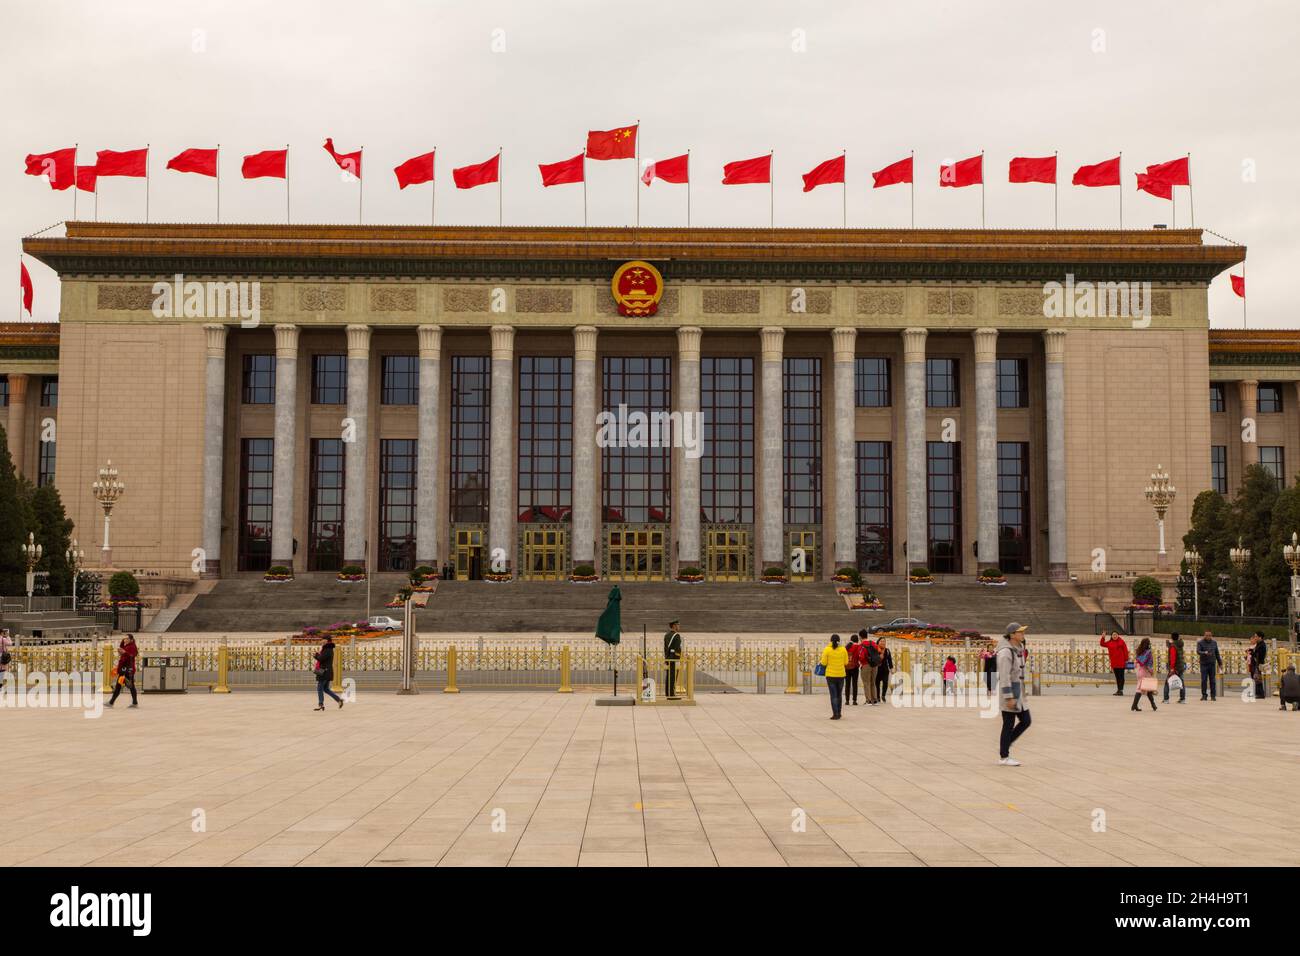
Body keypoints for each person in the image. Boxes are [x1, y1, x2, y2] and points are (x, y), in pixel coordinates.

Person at [995, 623, 1032, 766]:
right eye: (1020, 632)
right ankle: (1004, 757)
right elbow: (1004, 676)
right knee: (1008, 724)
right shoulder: (1005, 652)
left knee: (1026, 721)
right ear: (1012, 635)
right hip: (1010, 692)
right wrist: (1008, 697)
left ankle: (1006, 744)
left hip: (1018, 692)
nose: (1023, 634)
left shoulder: (1019, 648)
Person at [820, 633, 849, 720]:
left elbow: (823, 663)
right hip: (841, 675)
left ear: (830, 640)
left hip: (831, 675)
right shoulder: (843, 649)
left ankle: (835, 714)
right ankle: (839, 713)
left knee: (833, 695)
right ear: (839, 641)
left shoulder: (827, 649)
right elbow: (846, 662)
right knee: (839, 694)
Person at [107, 634, 139, 708]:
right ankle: (134, 702)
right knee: (126, 686)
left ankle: (111, 702)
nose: (125, 640)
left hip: (127, 670)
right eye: (124, 639)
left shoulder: (132, 647)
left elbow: (132, 655)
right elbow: (121, 647)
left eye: (127, 639)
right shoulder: (127, 646)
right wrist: (123, 642)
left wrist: (125, 653)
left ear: (131, 639)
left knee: (124, 686)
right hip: (124, 669)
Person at [313, 635, 344, 710]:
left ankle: (321, 704)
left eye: (322, 639)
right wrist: (318, 655)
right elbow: (322, 658)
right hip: (326, 671)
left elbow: (321, 659)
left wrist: (316, 655)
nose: (321, 641)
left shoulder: (327, 649)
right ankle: (339, 700)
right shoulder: (328, 649)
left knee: (320, 688)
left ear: (326, 640)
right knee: (325, 689)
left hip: (324, 672)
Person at [1131, 637, 1158, 712]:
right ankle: (1134, 705)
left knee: (1146, 688)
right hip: (1145, 672)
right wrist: (1151, 671)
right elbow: (1149, 664)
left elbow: (1136, 662)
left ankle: (1153, 705)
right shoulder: (1148, 652)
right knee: (1143, 689)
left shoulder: (1139, 651)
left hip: (1139, 671)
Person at [1099, 631, 1129, 695]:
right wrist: (1103, 637)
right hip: (1114, 662)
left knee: (1121, 677)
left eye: (1116, 635)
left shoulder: (1121, 642)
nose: (1114, 636)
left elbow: (1125, 651)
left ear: (1118, 635)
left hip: (1121, 662)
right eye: (1113, 635)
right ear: (1111, 636)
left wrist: (1126, 660)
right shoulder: (1110, 642)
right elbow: (1102, 644)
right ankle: (1118, 690)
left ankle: (1121, 690)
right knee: (1117, 677)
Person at [1195, 630, 1221, 701]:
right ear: (1204, 635)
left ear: (1211, 636)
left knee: (1212, 681)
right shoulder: (1200, 643)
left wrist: (1220, 663)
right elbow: (1198, 651)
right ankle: (1204, 695)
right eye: (1206, 635)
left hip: (1212, 664)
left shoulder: (1214, 643)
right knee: (1204, 680)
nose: (1208, 637)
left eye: (1209, 635)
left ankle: (1213, 696)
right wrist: (1204, 653)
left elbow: (1217, 653)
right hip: (1204, 664)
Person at [1162, 633, 1186, 704]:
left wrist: (1172, 668)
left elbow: (1173, 658)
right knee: (1182, 683)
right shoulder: (1180, 644)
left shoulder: (1173, 647)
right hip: (1181, 666)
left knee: (1167, 683)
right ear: (1178, 637)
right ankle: (1182, 699)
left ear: (1171, 637)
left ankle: (1166, 699)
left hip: (1175, 667)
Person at [861, 629, 882, 705]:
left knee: (866, 683)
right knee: (873, 682)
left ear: (860, 636)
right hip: (874, 665)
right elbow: (879, 651)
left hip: (866, 665)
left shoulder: (862, 645)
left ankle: (868, 700)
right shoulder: (873, 643)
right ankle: (875, 700)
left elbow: (861, 656)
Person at [664, 619, 683, 700]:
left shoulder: (666, 635)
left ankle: (668, 693)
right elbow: (677, 649)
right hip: (674, 659)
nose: (679, 626)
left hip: (668, 658)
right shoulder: (676, 636)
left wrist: (667, 657)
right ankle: (671, 695)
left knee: (668, 676)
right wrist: (678, 659)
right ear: (674, 626)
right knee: (673, 677)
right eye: (678, 625)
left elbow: (665, 648)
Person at [1248, 633, 1268, 702]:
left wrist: (1252, 652)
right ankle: (1258, 693)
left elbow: (1259, 654)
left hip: (1258, 663)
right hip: (1256, 663)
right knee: (1257, 678)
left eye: (1256, 637)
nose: (1255, 638)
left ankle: (1260, 694)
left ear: (1260, 637)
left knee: (1258, 679)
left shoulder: (1262, 645)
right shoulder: (1259, 644)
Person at [843, 633, 861, 705]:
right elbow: (859, 656)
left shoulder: (846, 647)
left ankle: (847, 700)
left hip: (847, 667)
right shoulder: (858, 647)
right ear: (857, 640)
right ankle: (854, 700)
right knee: (854, 684)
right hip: (855, 667)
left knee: (847, 684)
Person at [876, 637, 893, 702]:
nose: (883, 642)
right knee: (876, 684)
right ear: (878, 642)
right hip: (877, 669)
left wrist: (891, 668)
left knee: (885, 683)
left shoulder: (887, 650)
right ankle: (877, 697)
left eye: (884, 641)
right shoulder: (875, 649)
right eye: (881, 641)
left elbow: (890, 660)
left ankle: (883, 695)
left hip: (885, 669)